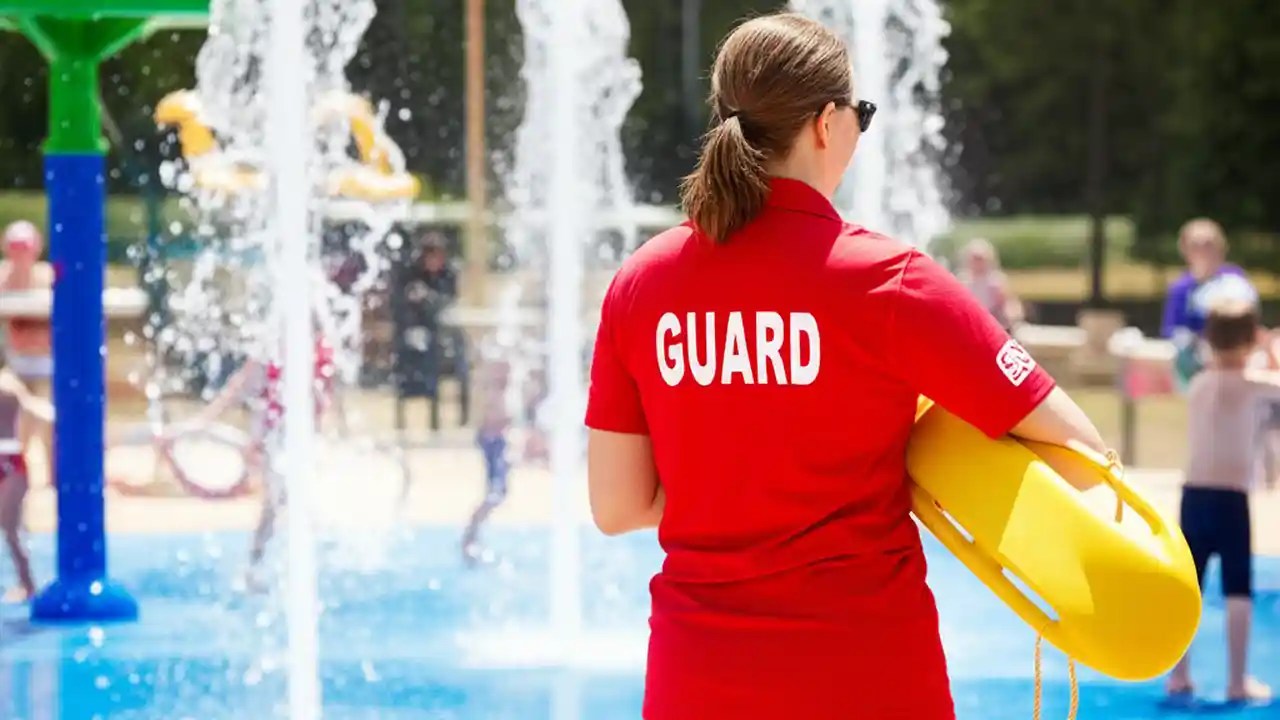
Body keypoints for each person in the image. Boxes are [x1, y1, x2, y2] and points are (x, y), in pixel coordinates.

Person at [583, 13, 1107, 719]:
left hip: (698, 678)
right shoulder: (891, 281)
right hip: (869, 677)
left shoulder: (641, 284)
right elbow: (1078, 445)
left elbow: (617, 508)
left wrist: (740, 486)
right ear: (826, 123)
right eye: (860, 113)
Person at [1166, 300, 1277, 706]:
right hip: (1230, 499)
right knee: (1237, 591)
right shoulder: (1252, 381)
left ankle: (1178, 674)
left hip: (1193, 495)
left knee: (1187, 589)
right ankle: (1236, 680)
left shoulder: (1199, 384)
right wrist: (1272, 352)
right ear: (1251, 338)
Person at [173, 325, 336, 586]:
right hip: (275, 438)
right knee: (278, 502)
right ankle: (262, 565)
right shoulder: (272, 352)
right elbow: (239, 388)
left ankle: (272, 565)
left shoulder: (319, 354)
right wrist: (206, 421)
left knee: (287, 503)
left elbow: (324, 401)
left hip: (297, 438)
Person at [1161, 218, 1256, 388]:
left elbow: (1247, 322)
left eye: (1209, 244)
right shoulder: (1180, 288)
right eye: (1196, 245)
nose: (1204, 251)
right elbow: (1172, 331)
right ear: (1185, 250)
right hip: (1196, 363)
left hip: (1239, 357)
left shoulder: (1236, 280)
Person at [0, 363, 53, 603]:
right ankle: (27, 583)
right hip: (12, 459)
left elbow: (40, 416)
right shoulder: (11, 386)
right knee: (12, 529)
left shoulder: (8, 385)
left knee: (10, 529)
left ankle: (28, 584)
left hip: (10, 460)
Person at [957, 237, 1023, 331]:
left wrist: (1011, 315)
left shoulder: (995, 280)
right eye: (975, 258)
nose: (977, 262)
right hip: (970, 321)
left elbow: (1008, 303)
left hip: (992, 321)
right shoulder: (963, 280)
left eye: (980, 259)